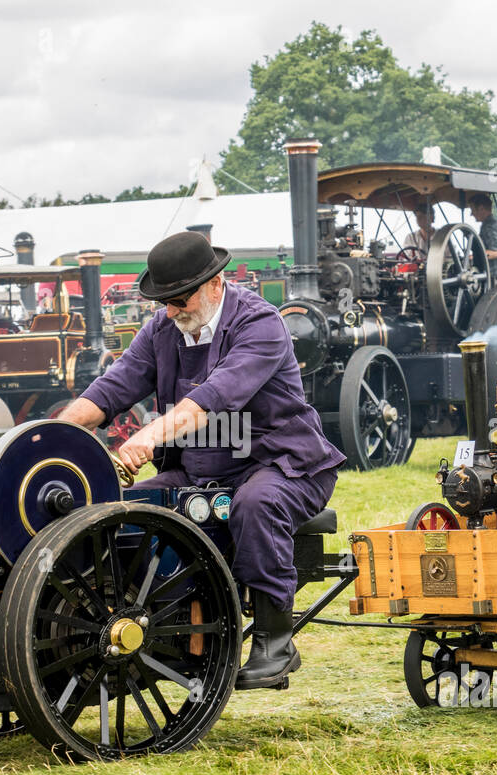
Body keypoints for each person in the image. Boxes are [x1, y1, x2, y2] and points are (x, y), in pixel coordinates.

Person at [59, 231, 346, 690]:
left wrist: (148, 437)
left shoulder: (261, 324)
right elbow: (113, 388)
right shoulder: (162, 328)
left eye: (178, 299)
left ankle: (275, 642)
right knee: (120, 508)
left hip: (282, 466)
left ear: (216, 284)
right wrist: (53, 436)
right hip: (199, 471)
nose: (171, 310)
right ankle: (158, 624)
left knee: (255, 504)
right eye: (164, 301)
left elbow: (214, 397)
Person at [468, 193, 497, 286]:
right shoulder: (492, 224)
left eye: (472, 210)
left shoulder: (489, 226)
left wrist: (472, 258)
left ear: (481, 208)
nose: (471, 214)